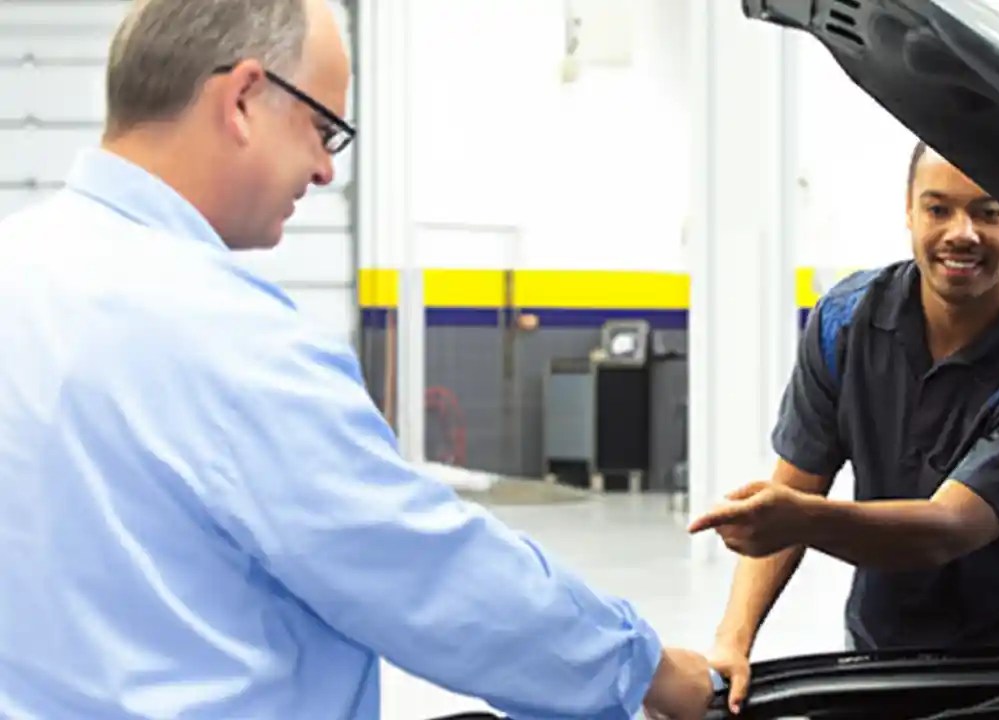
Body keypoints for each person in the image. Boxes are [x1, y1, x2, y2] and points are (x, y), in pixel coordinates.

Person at [0, 1, 713, 719]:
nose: (322, 172)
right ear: (244, 98)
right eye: (322, 129)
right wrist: (642, 668)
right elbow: (423, 568)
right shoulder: (232, 336)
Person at [689, 141, 999, 714]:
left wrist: (798, 519)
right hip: (883, 655)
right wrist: (732, 642)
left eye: (989, 212)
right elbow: (794, 489)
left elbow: (947, 530)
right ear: (908, 211)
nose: (962, 232)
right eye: (938, 209)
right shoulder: (844, 321)